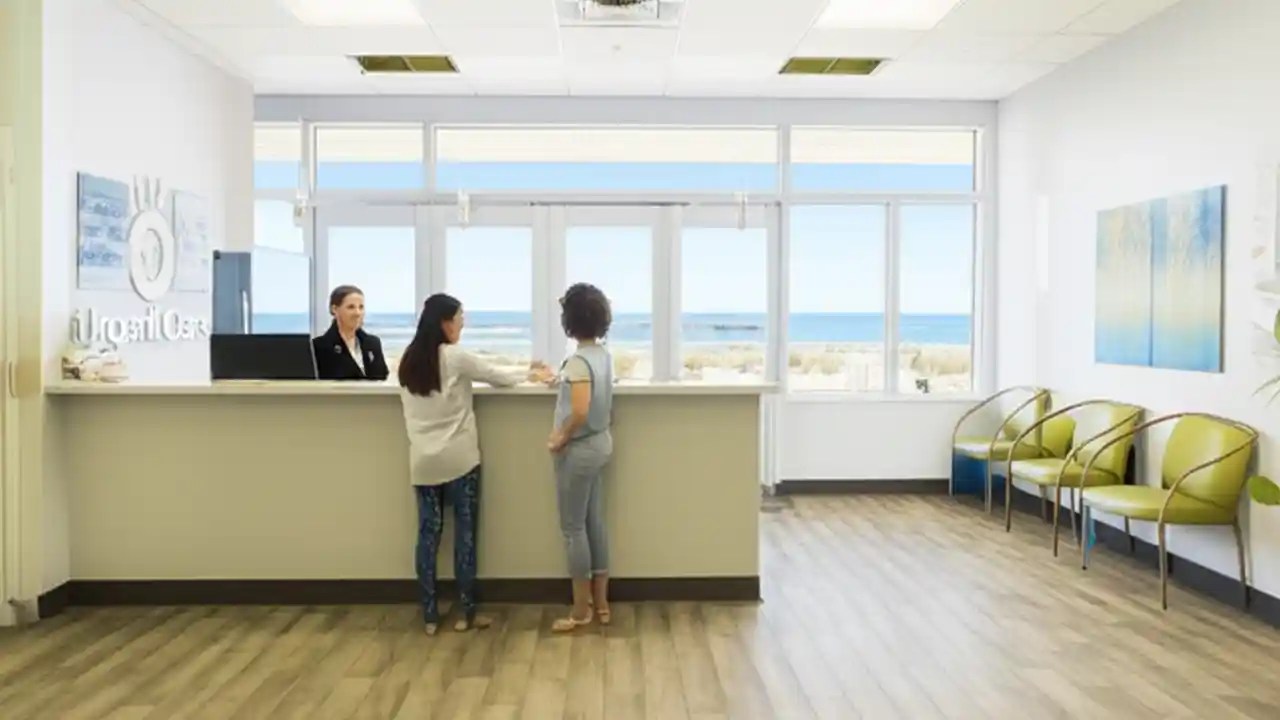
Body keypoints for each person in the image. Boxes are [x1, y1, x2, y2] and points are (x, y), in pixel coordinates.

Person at [397, 293, 550, 635]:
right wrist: (533, 373)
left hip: (422, 462)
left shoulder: (408, 361)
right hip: (460, 460)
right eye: (460, 318)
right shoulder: (454, 356)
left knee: (427, 536)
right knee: (464, 537)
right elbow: (498, 376)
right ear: (444, 323)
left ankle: (430, 615)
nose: (463, 324)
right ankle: (467, 612)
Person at [547, 283, 615, 633]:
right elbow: (581, 388)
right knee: (594, 523)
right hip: (601, 444)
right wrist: (556, 378)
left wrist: (560, 437)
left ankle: (580, 611)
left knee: (573, 529)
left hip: (580, 450)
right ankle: (602, 605)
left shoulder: (577, 361)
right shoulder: (602, 355)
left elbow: (579, 409)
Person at [313, 285, 390, 381]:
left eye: (361, 307)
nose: (357, 313)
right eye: (351, 307)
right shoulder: (319, 346)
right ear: (335, 309)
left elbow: (383, 378)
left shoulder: (373, 343)